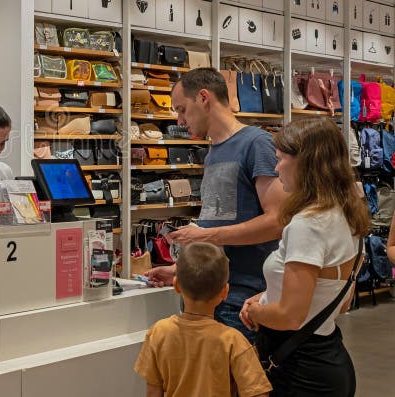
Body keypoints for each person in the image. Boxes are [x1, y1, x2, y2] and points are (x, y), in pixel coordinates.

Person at [146, 68, 287, 340]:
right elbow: (223, 223)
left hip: (244, 298)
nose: (179, 119)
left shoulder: (256, 144)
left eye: (182, 109)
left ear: (203, 98)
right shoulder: (213, 152)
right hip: (212, 293)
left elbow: (278, 221)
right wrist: (180, 269)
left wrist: (205, 235)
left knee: (240, 381)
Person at [239, 117, 369, 396]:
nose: (275, 168)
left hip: (300, 371)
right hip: (326, 356)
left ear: (305, 162)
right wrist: (266, 296)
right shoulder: (347, 215)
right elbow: (340, 301)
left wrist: (255, 311)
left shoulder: (307, 224)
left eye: (280, 159)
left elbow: (289, 316)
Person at [134, 242, 272, 397]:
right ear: (224, 292)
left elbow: (153, 391)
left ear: (177, 285)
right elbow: (258, 393)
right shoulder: (233, 341)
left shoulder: (158, 332)